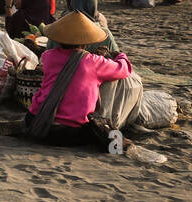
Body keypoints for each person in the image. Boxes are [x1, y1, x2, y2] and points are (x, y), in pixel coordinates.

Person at [23, 12, 134, 148]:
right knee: (110, 136)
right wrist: (120, 55)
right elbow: (124, 69)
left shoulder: (48, 56)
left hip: (35, 121)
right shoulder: (93, 62)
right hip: (70, 133)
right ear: (85, 41)